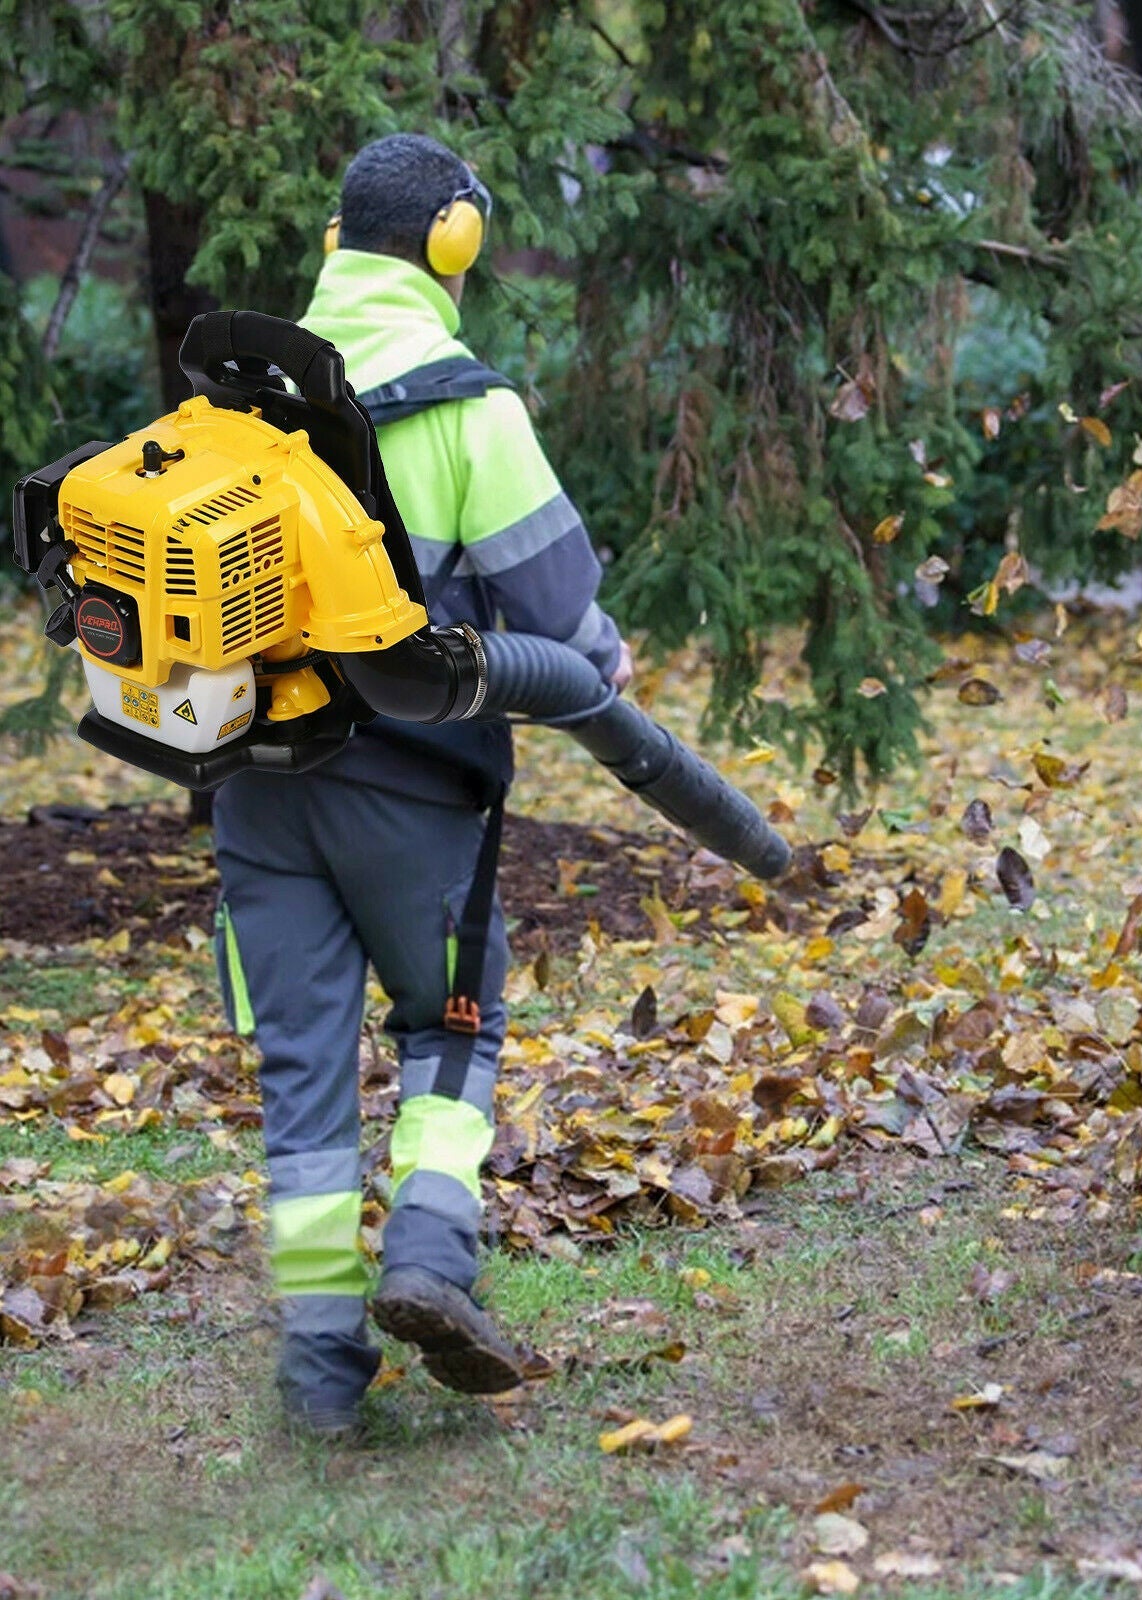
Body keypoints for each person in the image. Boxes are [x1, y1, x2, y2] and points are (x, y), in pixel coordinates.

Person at [211, 133, 631, 1435]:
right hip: (418, 797)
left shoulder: (237, 397)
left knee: (302, 1077)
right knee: (450, 1029)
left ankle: (322, 1379)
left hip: (253, 790)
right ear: (456, 241)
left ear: (335, 244)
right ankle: (434, 1264)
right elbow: (560, 612)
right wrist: (610, 670)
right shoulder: (469, 408)